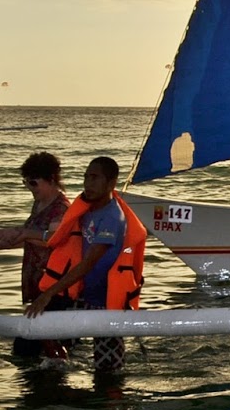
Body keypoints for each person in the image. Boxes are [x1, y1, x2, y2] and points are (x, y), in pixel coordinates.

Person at [26, 155, 147, 373]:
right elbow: (59, 239)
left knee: (108, 373)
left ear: (111, 183)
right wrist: (13, 239)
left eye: (95, 178)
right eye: (86, 177)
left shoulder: (111, 218)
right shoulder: (87, 211)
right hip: (83, 296)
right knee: (46, 336)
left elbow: (89, 263)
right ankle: (61, 372)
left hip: (106, 304)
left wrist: (47, 294)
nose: (88, 184)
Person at [0, 151, 71, 358]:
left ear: (51, 179)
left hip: (52, 282)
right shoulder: (40, 204)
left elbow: (54, 239)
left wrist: (20, 233)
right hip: (36, 280)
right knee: (38, 342)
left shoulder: (61, 209)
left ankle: (55, 375)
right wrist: (2, 245)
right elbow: (32, 240)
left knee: (29, 344)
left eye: (33, 183)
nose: (30, 188)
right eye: (26, 183)